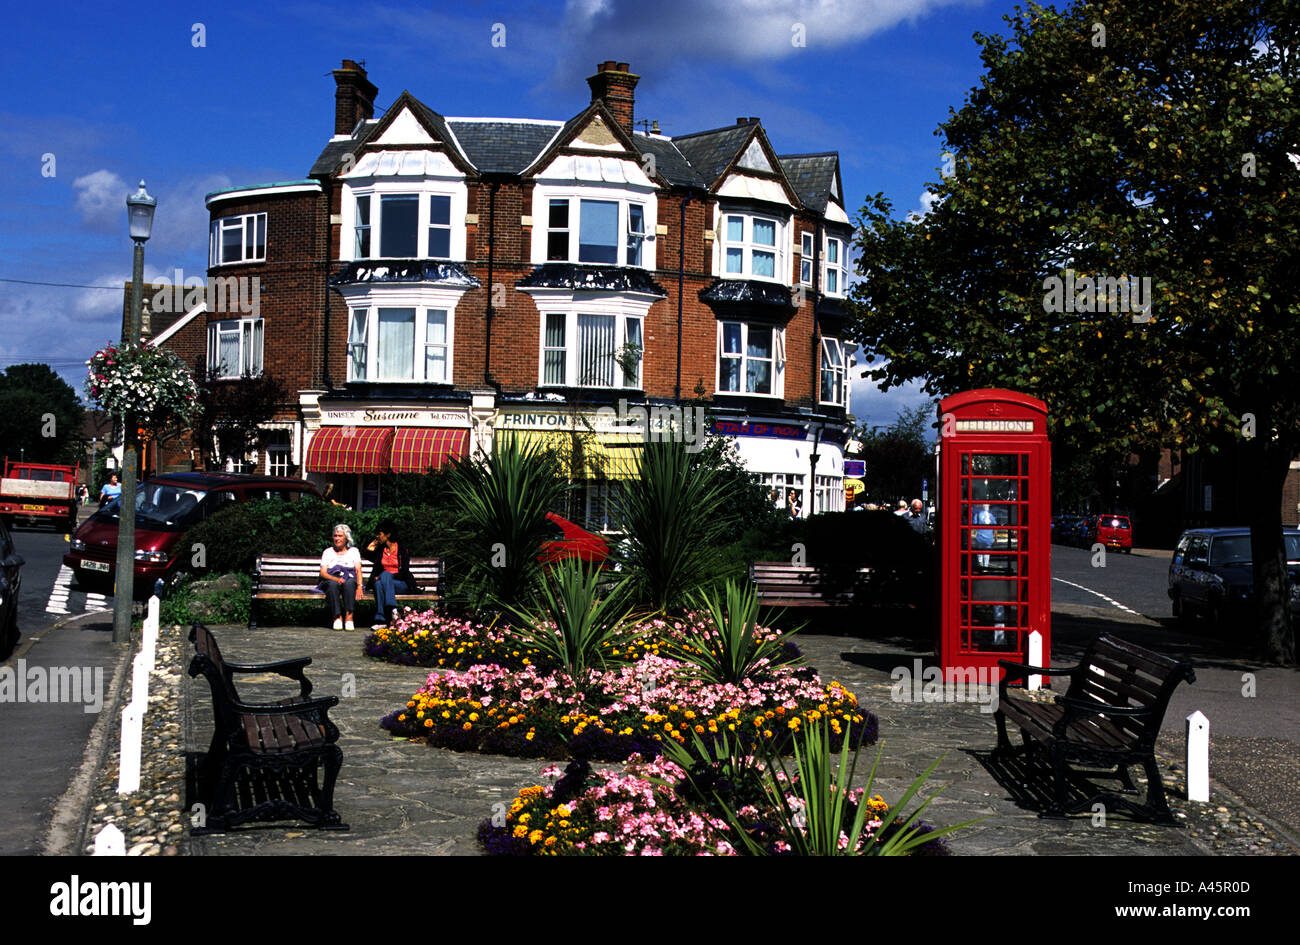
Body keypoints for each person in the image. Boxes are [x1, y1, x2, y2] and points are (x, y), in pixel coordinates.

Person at [364, 519, 420, 629]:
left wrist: (386, 576)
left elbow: (404, 572)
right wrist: (368, 549)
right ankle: (383, 619)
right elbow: (371, 558)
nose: (377, 537)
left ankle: (389, 610)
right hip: (386, 585)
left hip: (401, 584)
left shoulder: (401, 549)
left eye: (379, 534)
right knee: (378, 584)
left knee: (385, 575)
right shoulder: (381, 550)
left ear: (388, 535)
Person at [319, 523, 363, 631]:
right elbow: (323, 573)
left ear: (346, 538)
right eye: (335, 536)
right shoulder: (328, 552)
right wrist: (336, 579)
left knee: (349, 584)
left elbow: (358, 570)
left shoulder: (354, 551)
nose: (337, 538)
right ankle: (337, 617)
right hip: (331, 578)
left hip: (349, 578)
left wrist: (360, 586)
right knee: (332, 585)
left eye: (340, 536)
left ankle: (349, 617)